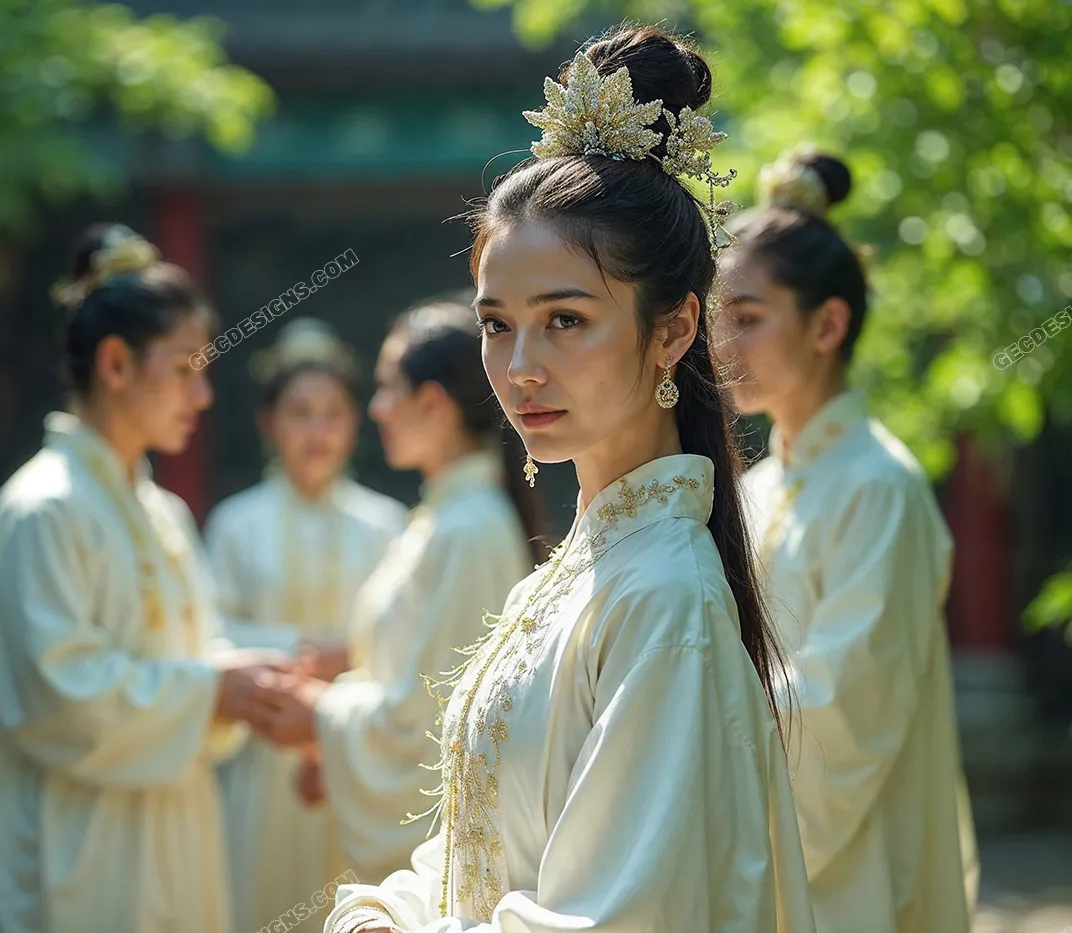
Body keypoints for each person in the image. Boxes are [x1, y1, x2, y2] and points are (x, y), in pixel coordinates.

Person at [323, 26, 817, 933]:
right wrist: (387, 910)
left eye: (564, 320)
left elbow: (618, 915)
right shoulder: (587, 566)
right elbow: (487, 841)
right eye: (496, 323)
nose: (519, 368)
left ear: (672, 330)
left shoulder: (663, 598)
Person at [0, 224, 285, 933]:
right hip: (75, 855)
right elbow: (59, 699)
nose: (201, 397)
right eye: (185, 368)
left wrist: (241, 678)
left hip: (171, 832)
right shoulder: (44, 509)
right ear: (116, 363)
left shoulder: (160, 510)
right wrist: (213, 689)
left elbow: (186, 652)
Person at [717, 148, 980, 933]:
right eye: (718, 316)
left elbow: (842, 711)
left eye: (750, 318)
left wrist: (704, 740)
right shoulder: (756, 489)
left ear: (828, 322)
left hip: (850, 865)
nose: (725, 344)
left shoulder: (881, 485)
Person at [258, 299, 542, 892]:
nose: (375, 409)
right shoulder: (443, 517)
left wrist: (321, 717)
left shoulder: (468, 531)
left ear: (432, 403)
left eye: (388, 388)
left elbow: (436, 722)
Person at [205, 318, 407, 933]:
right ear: (269, 423)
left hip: (356, 748)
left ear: (356, 421)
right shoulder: (234, 524)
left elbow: (410, 641)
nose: (316, 431)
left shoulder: (388, 525)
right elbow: (209, 636)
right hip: (262, 754)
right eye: (299, 412)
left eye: (331, 413)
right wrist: (297, 655)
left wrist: (347, 659)